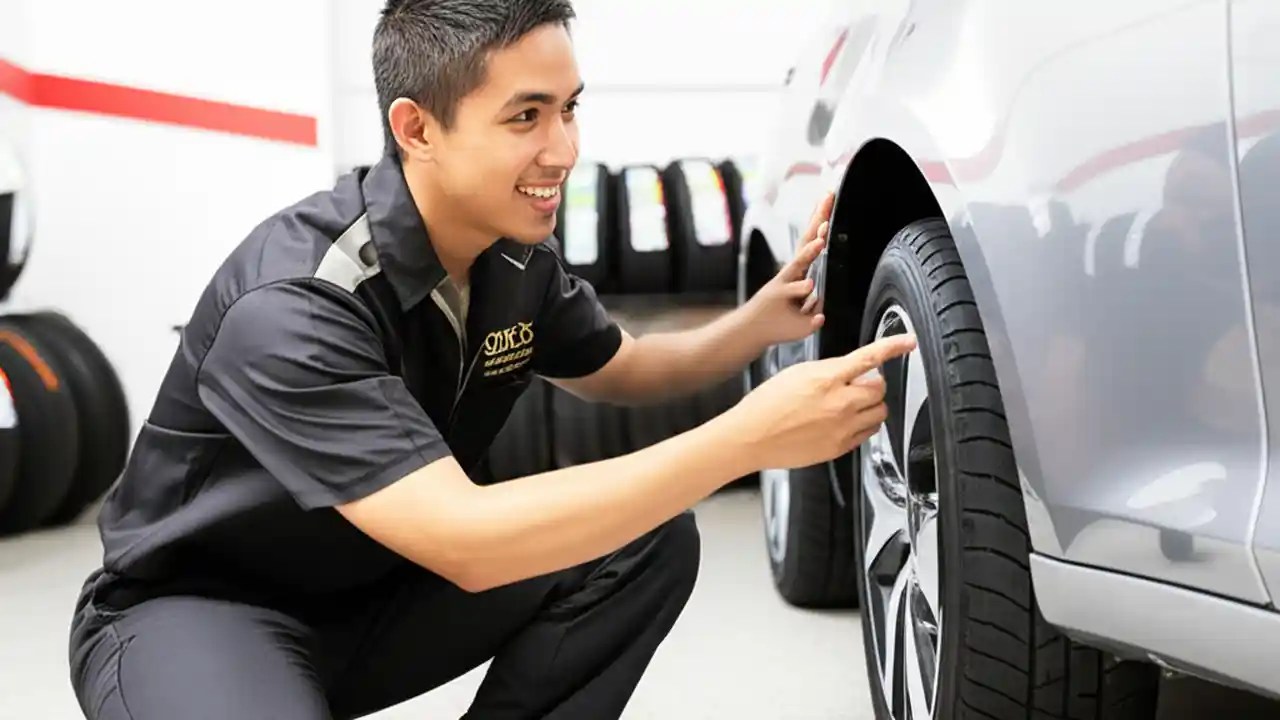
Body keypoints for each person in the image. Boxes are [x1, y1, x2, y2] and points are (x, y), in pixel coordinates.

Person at [67, 1, 915, 718]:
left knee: (643, 538)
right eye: (526, 116)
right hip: (197, 611)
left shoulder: (512, 260)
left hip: (374, 597)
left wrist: (757, 324)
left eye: (570, 108)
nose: (564, 150)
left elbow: (628, 368)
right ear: (417, 128)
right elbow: (465, 540)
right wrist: (749, 439)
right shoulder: (295, 302)